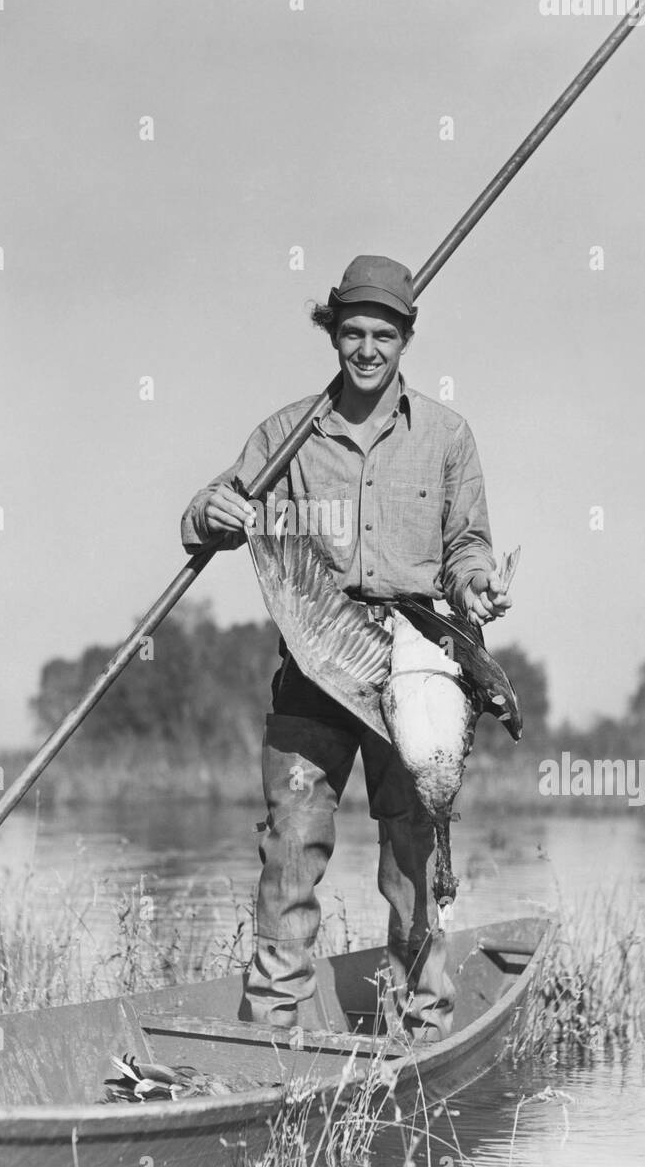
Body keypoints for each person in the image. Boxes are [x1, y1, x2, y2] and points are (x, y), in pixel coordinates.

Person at [181, 255, 511, 1041]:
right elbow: (205, 510)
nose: (367, 349)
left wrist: (475, 586)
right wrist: (216, 512)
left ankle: (421, 1024)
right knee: (291, 849)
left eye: (384, 335)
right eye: (353, 332)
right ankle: (272, 1029)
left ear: (407, 340)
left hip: (415, 669)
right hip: (314, 663)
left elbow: (467, 546)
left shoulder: (447, 436)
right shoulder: (287, 433)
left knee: (414, 852)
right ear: (333, 336)